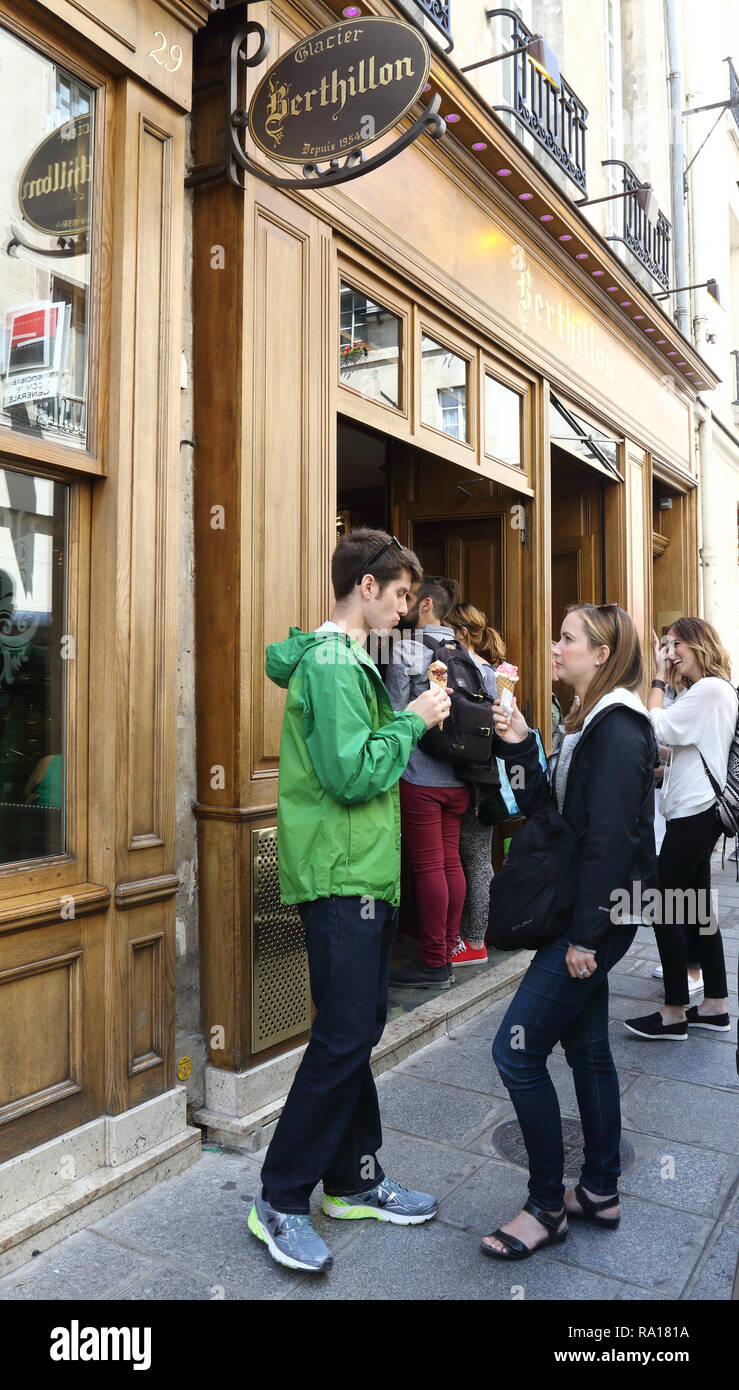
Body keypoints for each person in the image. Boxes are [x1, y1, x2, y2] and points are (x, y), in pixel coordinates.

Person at [249, 529, 451, 1274]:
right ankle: (278, 1196)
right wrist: (413, 719)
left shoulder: (344, 661)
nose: (405, 611)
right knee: (342, 1036)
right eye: (400, 596)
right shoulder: (335, 664)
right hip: (341, 875)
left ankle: (352, 1179)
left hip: (356, 873)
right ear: (364, 587)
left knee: (356, 1028)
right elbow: (351, 774)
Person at [482, 603, 657, 1260]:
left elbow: (610, 843)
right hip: (586, 914)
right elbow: (544, 813)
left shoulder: (618, 730)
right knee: (586, 1053)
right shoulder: (586, 724)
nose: (554, 647)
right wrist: (521, 742)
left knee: (515, 1052)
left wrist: (585, 940)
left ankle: (545, 1206)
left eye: (567, 638)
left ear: (602, 653)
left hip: (590, 919)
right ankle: (600, 1191)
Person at [625, 617, 735, 1040]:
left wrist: (655, 677)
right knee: (697, 908)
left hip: (695, 811)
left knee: (664, 903)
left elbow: (656, 725)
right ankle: (715, 1005)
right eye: (665, 646)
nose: (669, 654)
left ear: (697, 644)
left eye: (675, 645)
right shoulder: (710, 691)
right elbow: (684, 744)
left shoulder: (709, 689)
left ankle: (674, 1011)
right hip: (697, 810)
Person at [384, 576, 471, 989]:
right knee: (450, 862)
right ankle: (449, 950)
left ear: (426, 606)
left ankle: (434, 960)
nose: (403, 606)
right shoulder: (466, 652)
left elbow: (395, 713)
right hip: (460, 778)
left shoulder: (406, 650)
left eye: (409, 598)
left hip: (420, 776)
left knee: (428, 867)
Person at [446, 602, 504, 965]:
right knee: (477, 858)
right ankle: (477, 936)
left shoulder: (474, 672)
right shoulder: (489, 671)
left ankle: (474, 940)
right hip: (482, 775)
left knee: (475, 858)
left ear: (462, 634)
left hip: (473, 777)